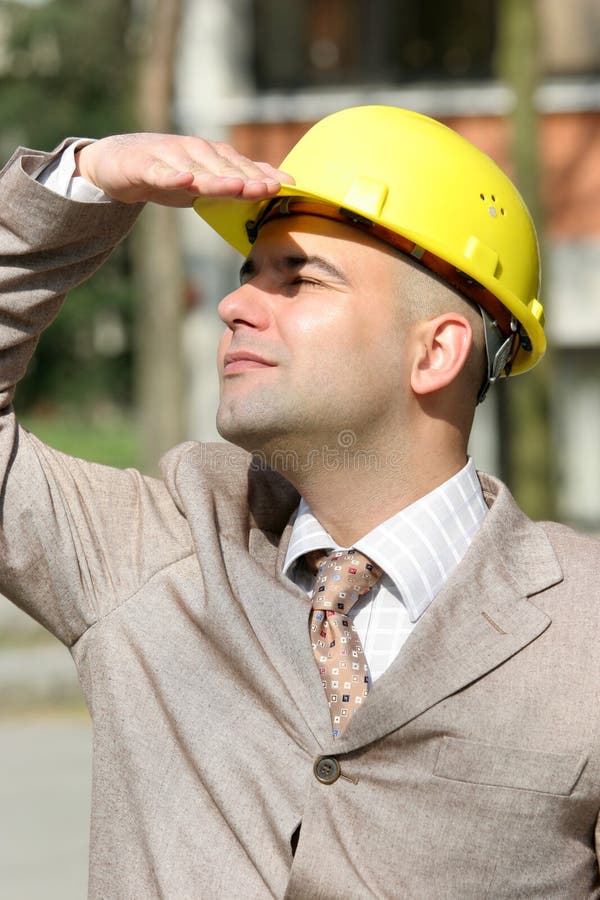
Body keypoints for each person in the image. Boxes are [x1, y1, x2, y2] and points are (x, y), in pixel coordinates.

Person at [1, 105, 599, 899]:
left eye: (300, 279)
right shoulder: (150, 554)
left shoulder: (585, 622)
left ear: (437, 351)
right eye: (250, 275)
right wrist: (83, 184)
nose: (235, 305)